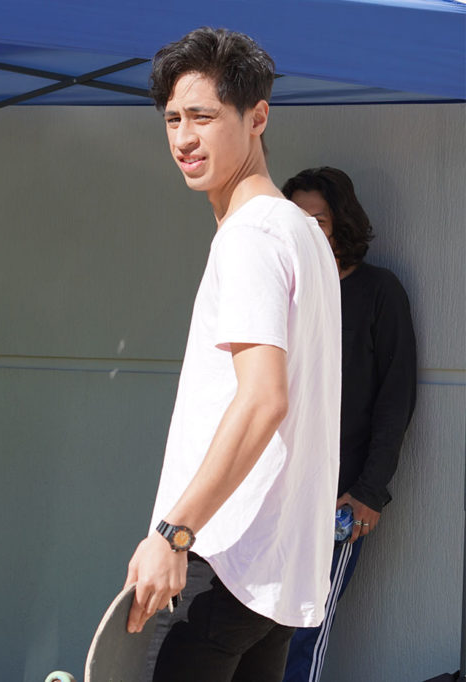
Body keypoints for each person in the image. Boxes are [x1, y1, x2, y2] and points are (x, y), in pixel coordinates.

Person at [123, 28, 342, 681]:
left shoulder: (250, 237)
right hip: (277, 568)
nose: (185, 138)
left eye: (204, 117)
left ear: (257, 118)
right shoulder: (303, 233)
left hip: (228, 557)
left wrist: (174, 534)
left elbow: (263, 398)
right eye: (172, 119)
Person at [280, 167, 417, 682]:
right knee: (251, 633)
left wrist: (368, 492)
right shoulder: (282, 293)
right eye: (295, 220)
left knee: (305, 634)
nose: (306, 231)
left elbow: (396, 399)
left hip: (339, 501)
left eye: (318, 220)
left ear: (343, 223)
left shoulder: (379, 291)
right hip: (270, 497)